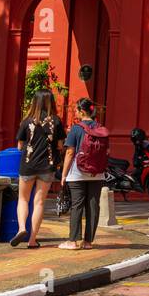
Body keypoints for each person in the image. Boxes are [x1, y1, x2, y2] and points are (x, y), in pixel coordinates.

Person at [12, 90, 65, 248]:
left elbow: (20, 145)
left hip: (28, 165)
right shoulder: (56, 121)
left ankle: (22, 228)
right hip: (47, 167)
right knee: (39, 202)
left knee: (23, 199)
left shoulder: (27, 121)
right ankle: (32, 240)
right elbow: (60, 146)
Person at [58, 97, 107, 250]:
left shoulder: (76, 128)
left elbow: (70, 152)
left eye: (76, 111)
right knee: (93, 206)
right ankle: (88, 242)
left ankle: (73, 241)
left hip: (77, 173)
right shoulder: (101, 129)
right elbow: (108, 152)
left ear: (81, 111)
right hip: (97, 173)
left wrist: (64, 174)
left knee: (77, 206)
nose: (76, 113)